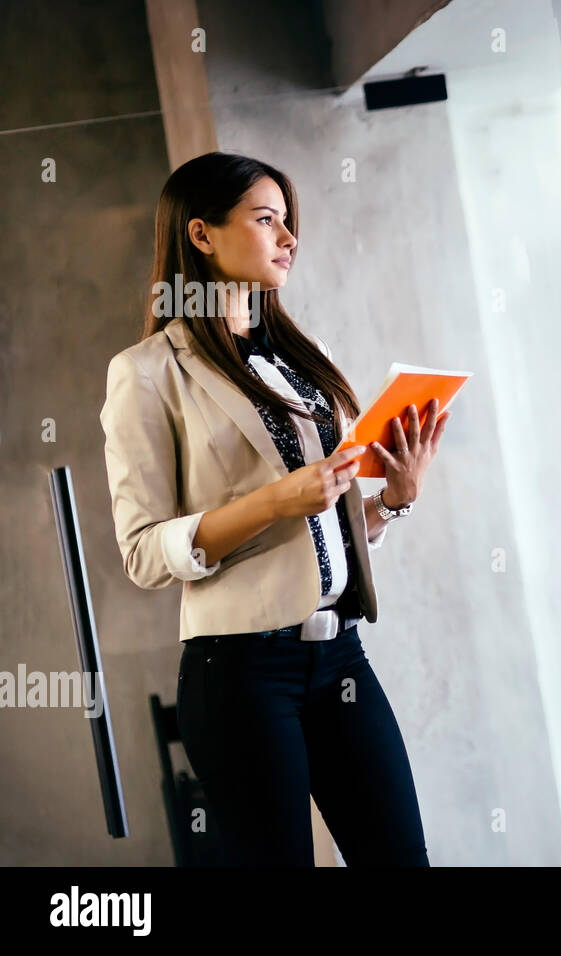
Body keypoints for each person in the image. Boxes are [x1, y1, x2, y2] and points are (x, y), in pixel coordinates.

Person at [99, 151, 448, 866]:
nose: (289, 238)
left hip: (341, 657)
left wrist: (392, 501)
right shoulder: (145, 374)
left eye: (289, 222)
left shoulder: (300, 356)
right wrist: (273, 500)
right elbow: (142, 552)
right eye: (267, 220)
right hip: (241, 676)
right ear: (201, 234)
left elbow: (322, 525)